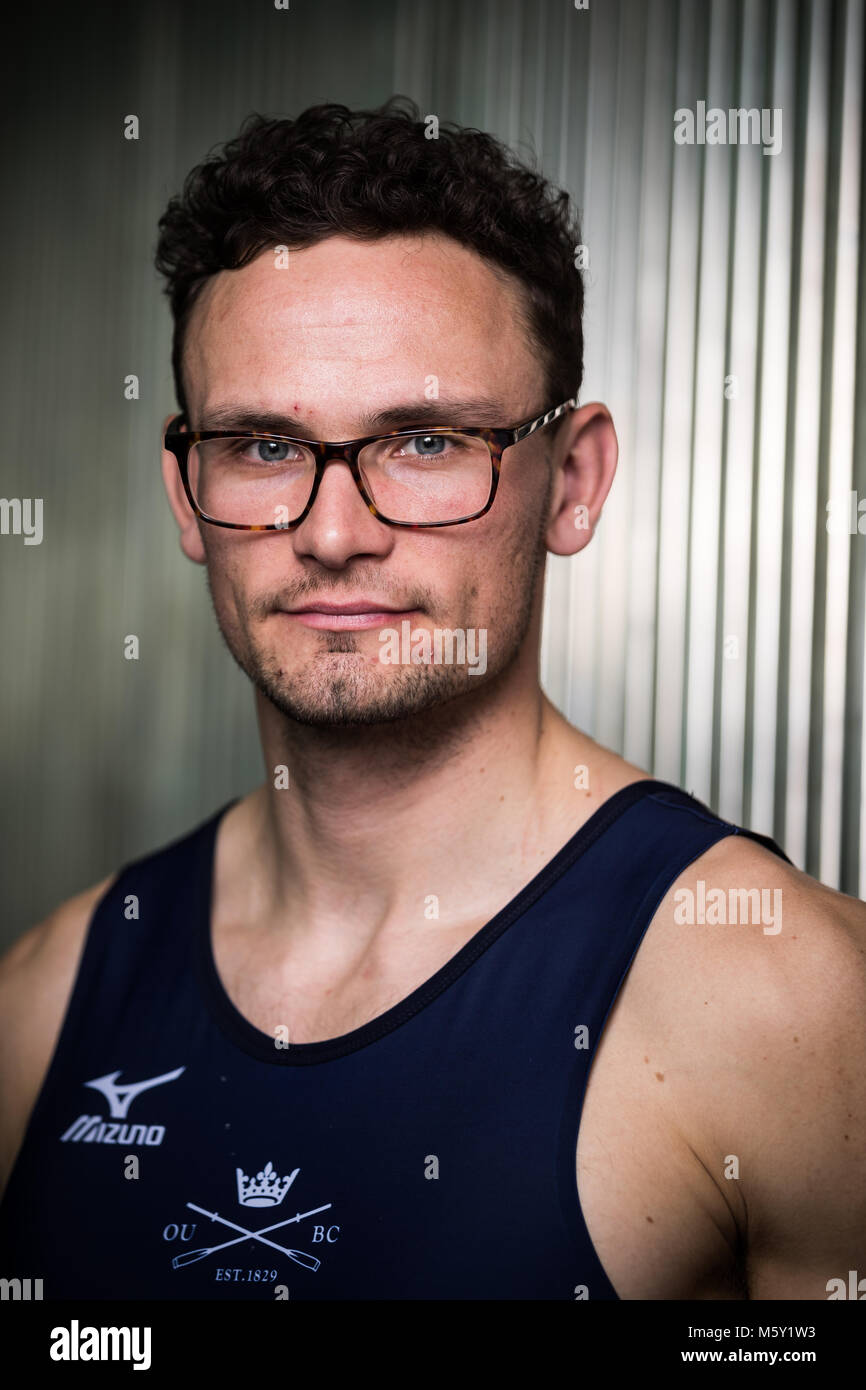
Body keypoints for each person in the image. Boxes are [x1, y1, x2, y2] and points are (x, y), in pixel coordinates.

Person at [1, 97, 863, 1302]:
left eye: (422, 441)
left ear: (571, 481)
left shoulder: (788, 1002)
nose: (332, 532)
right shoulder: (46, 999)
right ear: (187, 493)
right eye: (261, 446)